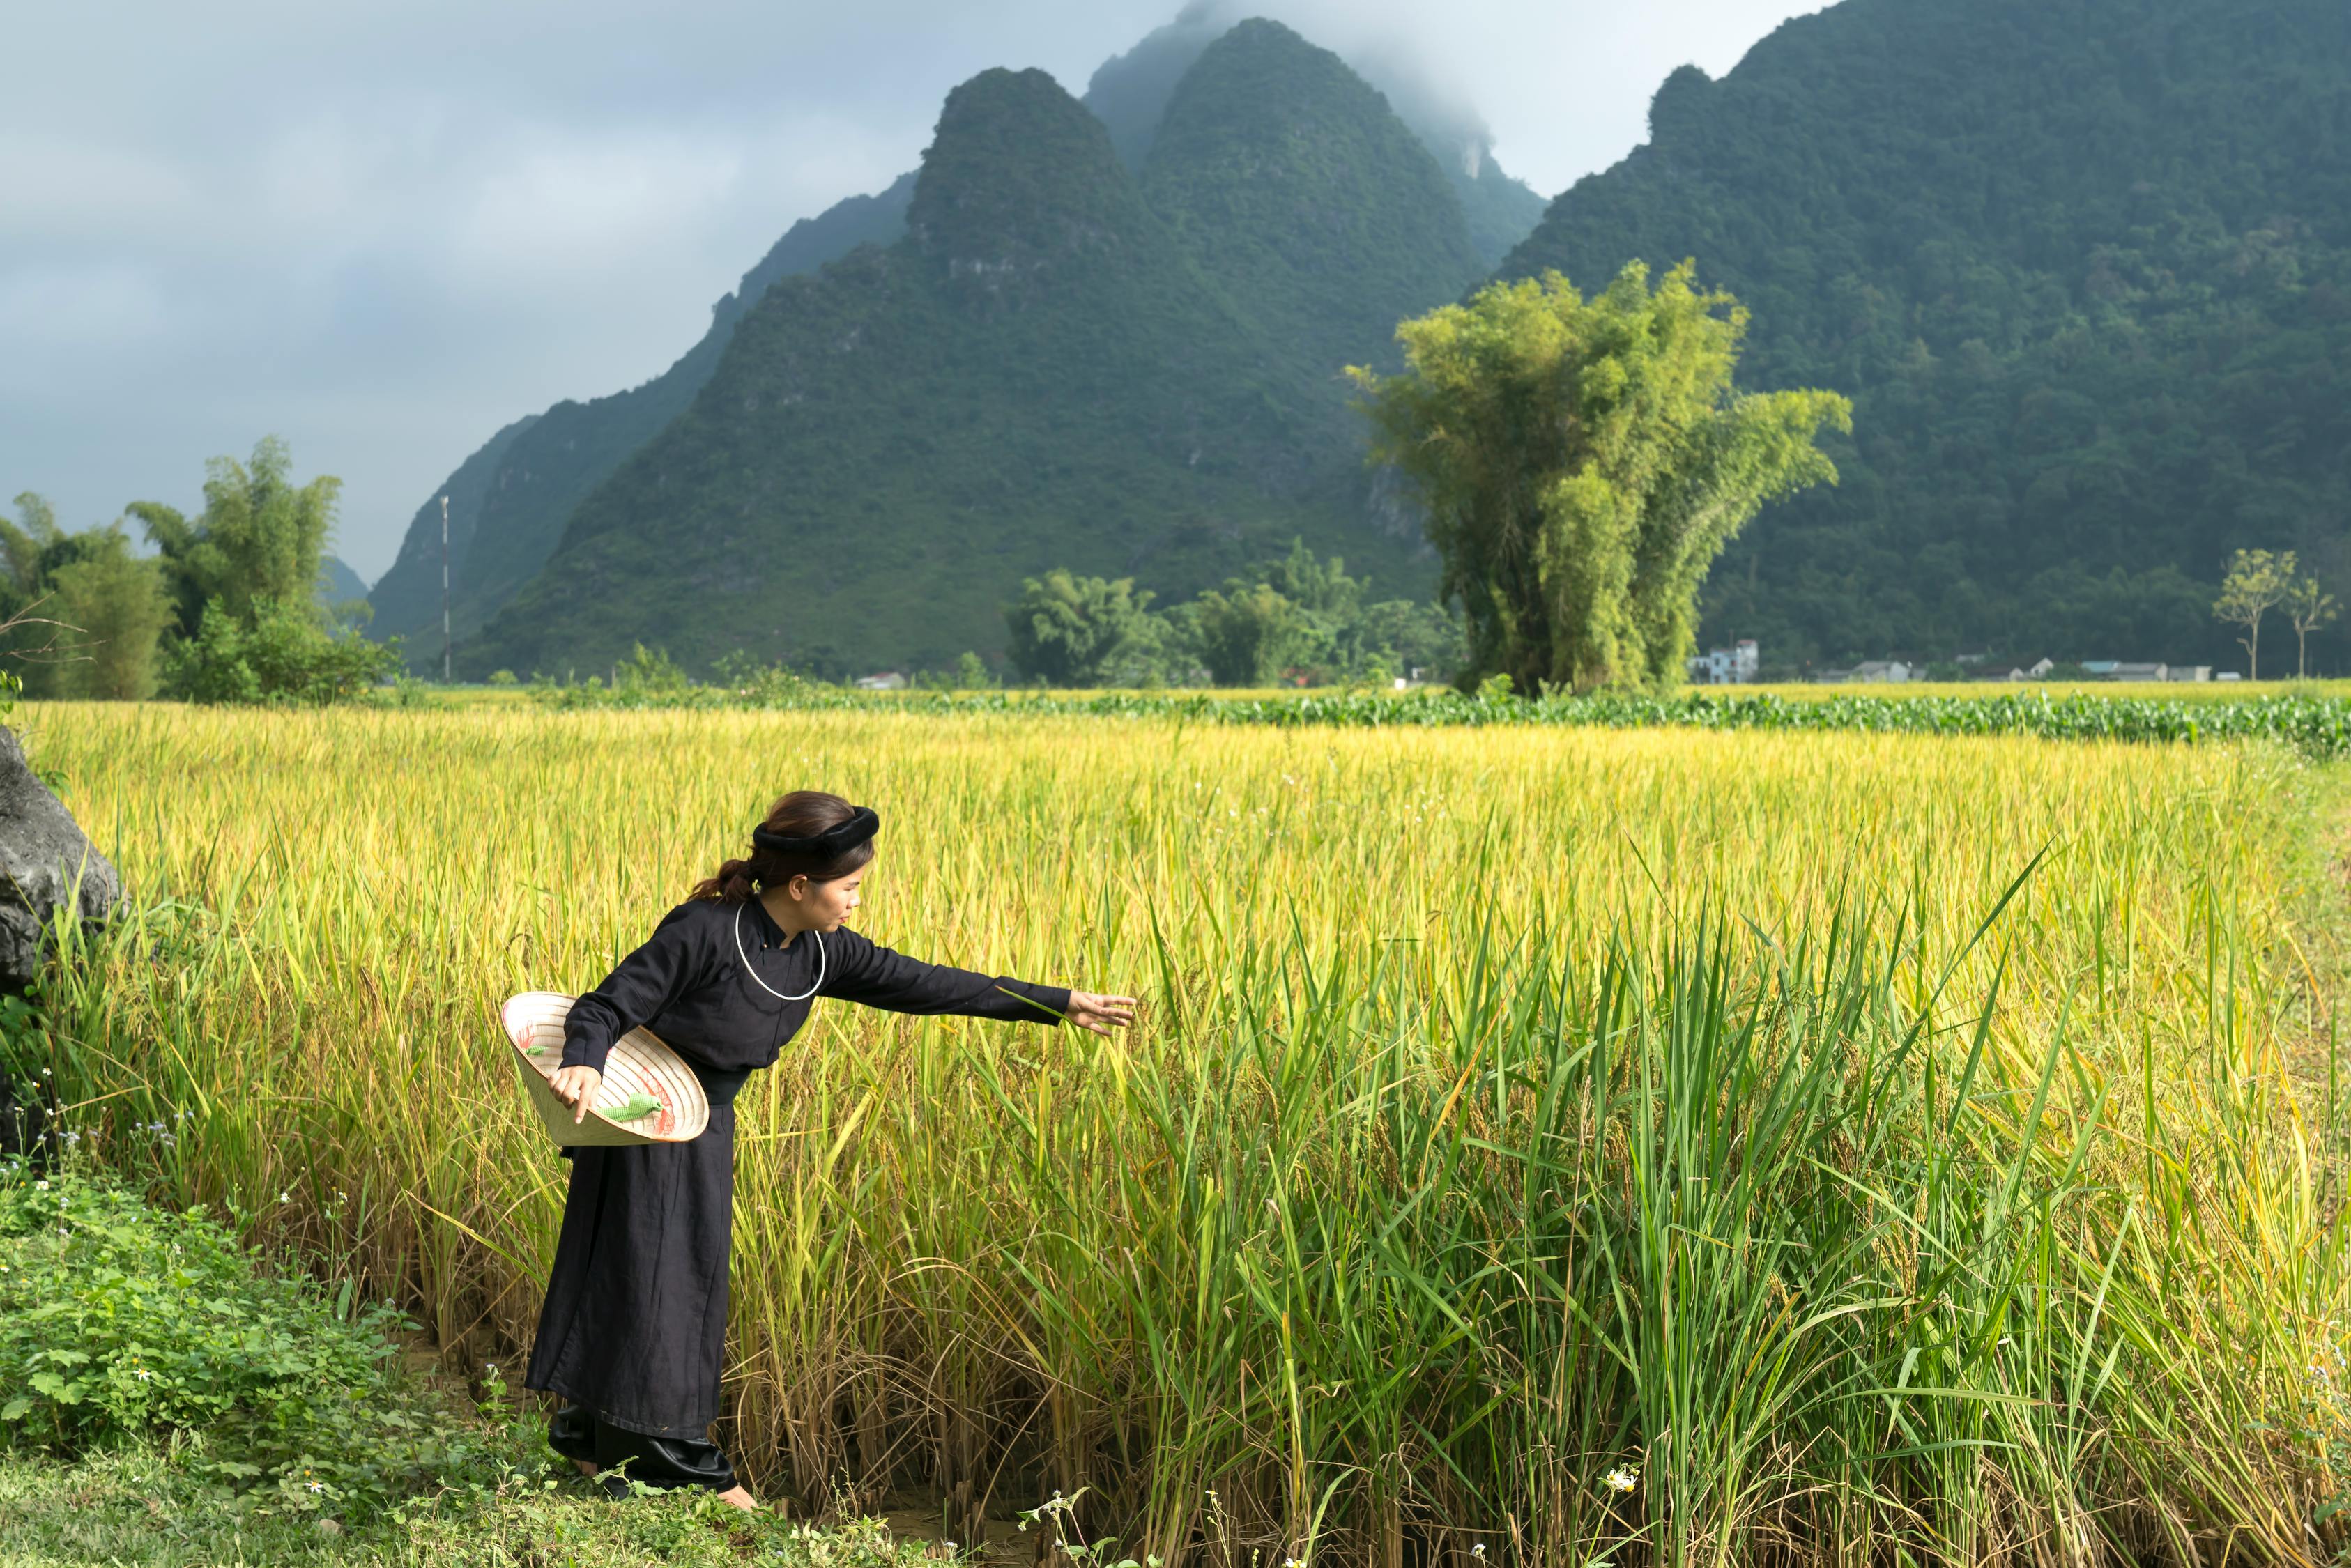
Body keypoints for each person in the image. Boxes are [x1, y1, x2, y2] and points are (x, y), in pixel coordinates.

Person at [523, 790, 1133, 1509]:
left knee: (658, 1287)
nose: (855, 901)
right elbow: (604, 1005)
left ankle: (592, 1445)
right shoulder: (704, 931)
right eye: (848, 887)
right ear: (800, 885)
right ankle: (692, 1473)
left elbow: (928, 985)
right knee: (663, 1299)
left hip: (702, 1128)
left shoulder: (821, 953)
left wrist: (1056, 1003)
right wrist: (586, 1061)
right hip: (641, 1121)